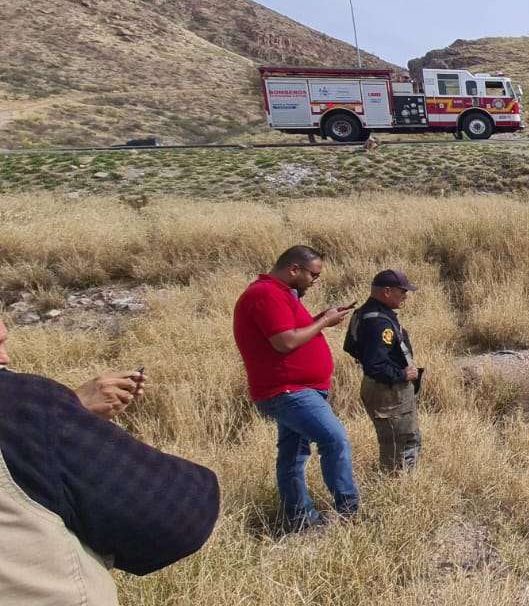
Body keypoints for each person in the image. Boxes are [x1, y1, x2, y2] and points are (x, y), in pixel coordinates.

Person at [0, 316, 220, 605]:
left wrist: (69, 410)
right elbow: (179, 515)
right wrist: (64, 413)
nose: (4, 331)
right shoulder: (22, 403)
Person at [233, 245, 358, 530]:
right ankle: (349, 511)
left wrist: (318, 320)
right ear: (294, 269)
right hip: (287, 390)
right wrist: (324, 321)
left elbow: (290, 334)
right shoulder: (265, 294)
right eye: (313, 275)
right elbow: (285, 342)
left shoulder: (279, 294)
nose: (315, 281)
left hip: (298, 389)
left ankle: (300, 520)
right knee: (334, 438)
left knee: (293, 455)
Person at [345, 269, 423, 473]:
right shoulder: (379, 322)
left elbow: (350, 346)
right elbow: (376, 365)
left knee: (399, 439)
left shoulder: (363, 312)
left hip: (380, 387)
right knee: (401, 442)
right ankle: (399, 486)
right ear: (387, 291)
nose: (405, 296)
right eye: (402, 291)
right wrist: (403, 374)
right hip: (389, 391)